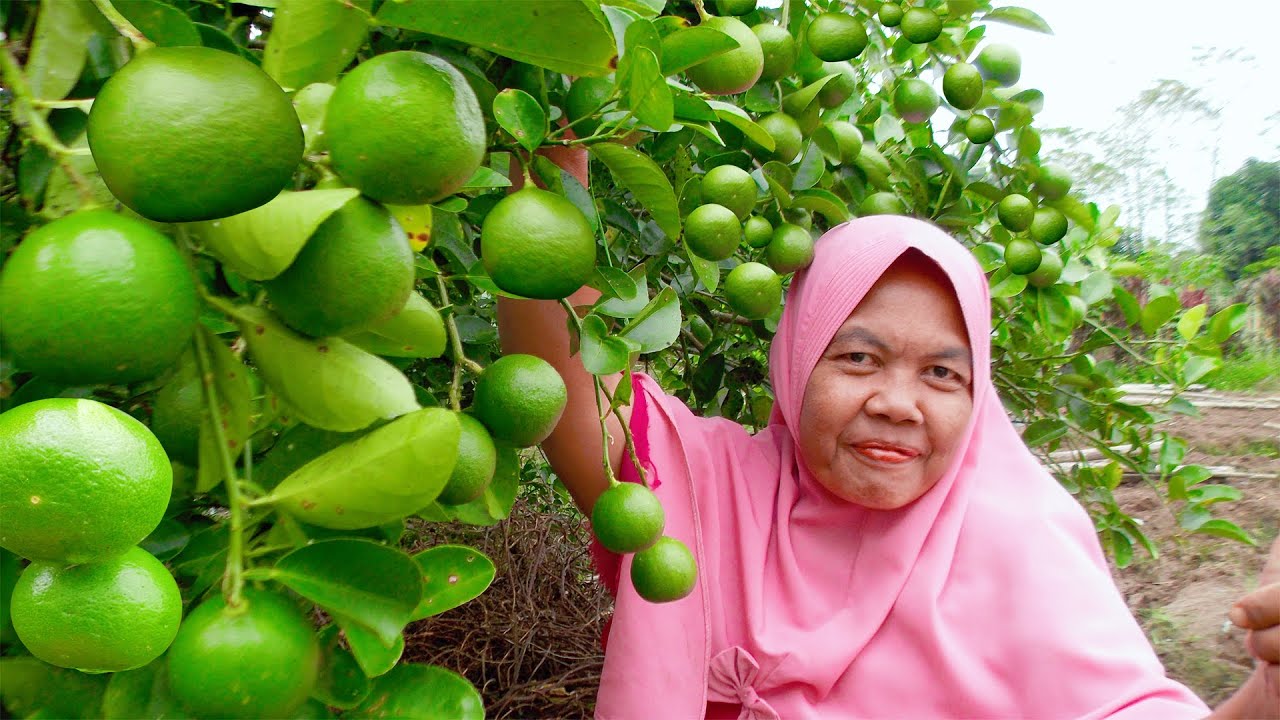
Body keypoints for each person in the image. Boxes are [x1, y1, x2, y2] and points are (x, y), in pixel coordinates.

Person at [497, 157, 1280, 719]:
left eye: (943, 375)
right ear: (798, 359)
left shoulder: (1020, 545)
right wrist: (559, 123)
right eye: (859, 358)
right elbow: (560, 371)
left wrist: (1266, 695)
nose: (898, 404)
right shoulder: (706, 491)